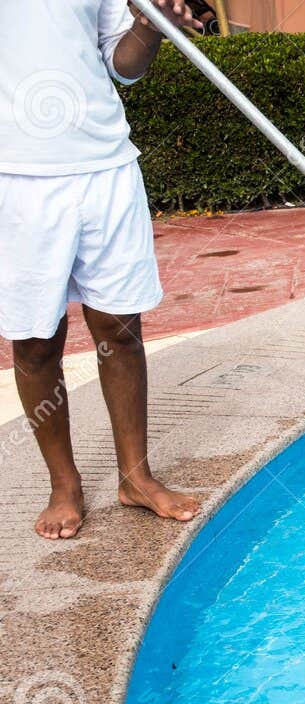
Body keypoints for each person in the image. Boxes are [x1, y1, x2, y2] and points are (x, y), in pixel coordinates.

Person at [2, 0, 204, 541]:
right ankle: (64, 485)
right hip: (15, 175)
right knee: (35, 341)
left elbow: (125, 66)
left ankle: (135, 478)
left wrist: (148, 23)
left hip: (106, 165)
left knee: (120, 329)